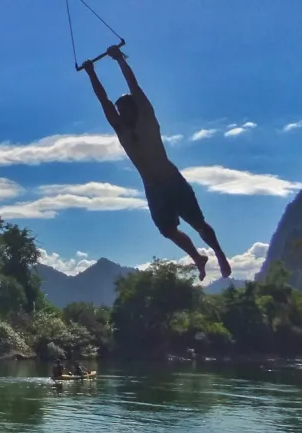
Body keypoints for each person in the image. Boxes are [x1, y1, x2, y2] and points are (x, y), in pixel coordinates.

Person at [83, 46, 231, 281]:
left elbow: (134, 87)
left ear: (135, 109)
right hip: (153, 188)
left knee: (198, 223)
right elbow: (104, 101)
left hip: (172, 180)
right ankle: (197, 257)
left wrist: (120, 59)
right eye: (119, 111)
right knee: (167, 230)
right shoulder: (122, 130)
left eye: (124, 110)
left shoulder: (147, 120)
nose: (120, 114)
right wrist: (91, 72)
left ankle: (220, 254)